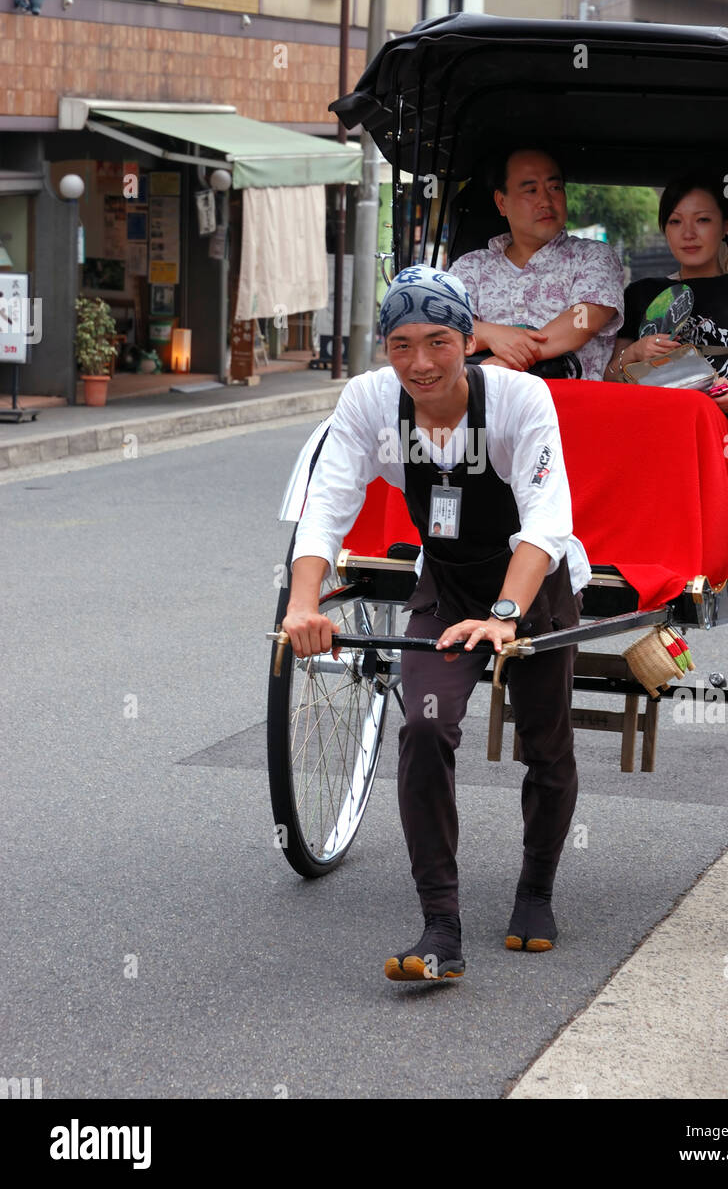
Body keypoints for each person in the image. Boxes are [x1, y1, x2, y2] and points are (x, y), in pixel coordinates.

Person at [282, 266, 590, 982]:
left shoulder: (519, 397)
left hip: (533, 587)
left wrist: (506, 616)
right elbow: (327, 506)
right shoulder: (368, 399)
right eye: (401, 345)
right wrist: (303, 604)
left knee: (545, 743)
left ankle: (536, 888)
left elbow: (548, 521)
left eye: (439, 341)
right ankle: (440, 925)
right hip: (446, 585)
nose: (419, 363)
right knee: (422, 728)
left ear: (469, 338)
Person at [605, 173, 728, 415]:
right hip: (650, 422)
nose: (688, 234)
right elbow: (609, 378)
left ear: (725, 225)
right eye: (675, 222)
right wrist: (634, 352)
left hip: (719, 429)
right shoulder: (640, 293)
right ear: (664, 228)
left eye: (702, 220)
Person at [449, 146, 624, 380]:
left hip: (574, 407)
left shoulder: (593, 256)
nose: (545, 200)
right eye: (531, 190)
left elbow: (584, 319)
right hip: (491, 408)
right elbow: (445, 330)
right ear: (502, 202)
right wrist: (491, 334)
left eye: (554, 187)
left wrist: (509, 361)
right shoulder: (471, 267)